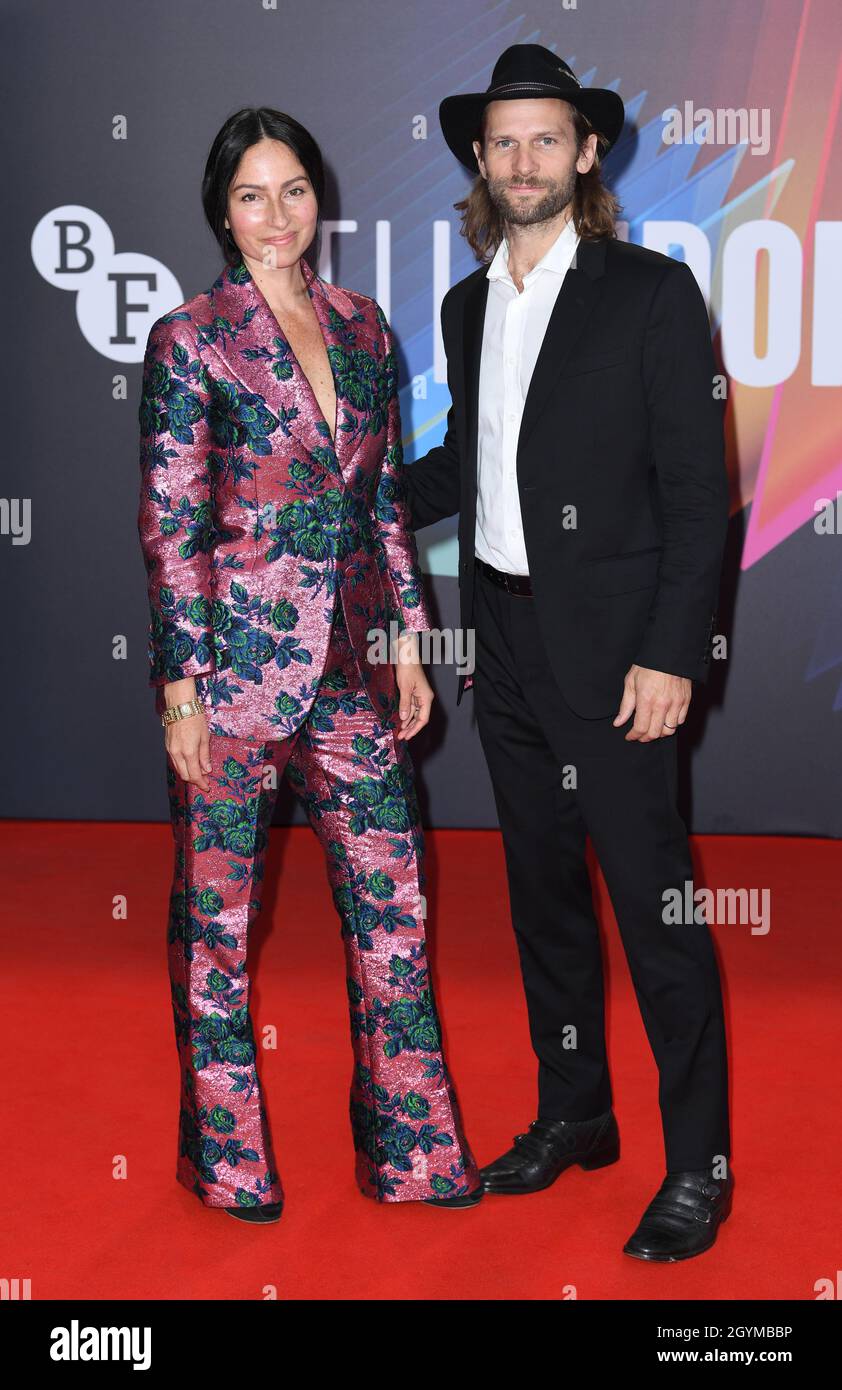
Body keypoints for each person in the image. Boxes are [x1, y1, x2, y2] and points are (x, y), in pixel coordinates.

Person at [404, 45, 733, 1261]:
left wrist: (668, 656)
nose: (523, 160)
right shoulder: (465, 302)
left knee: (655, 914)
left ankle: (697, 1163)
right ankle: (573, 1111)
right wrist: (351, 486)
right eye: (503, 141)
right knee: (543, 906)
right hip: (505, 644)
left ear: (585, 153)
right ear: (477, 162)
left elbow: (698, 496)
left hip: (616, 658)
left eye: (546, 138)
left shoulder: (648, 294)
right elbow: (475, 467)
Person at [137, 107, 483, 1224]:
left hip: (350, 671)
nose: (277, 215)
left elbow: (380, 500)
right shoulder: (191, 337)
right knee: (218, 933)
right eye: (252, 194)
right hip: (232, 677)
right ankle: (230, 1160)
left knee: (394, 914)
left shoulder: (363, 327)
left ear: (316, 199)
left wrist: (406, 637)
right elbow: (170, 523)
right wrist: (181, 690)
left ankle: (413, 1150)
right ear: (221, 210)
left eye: (293, 191)